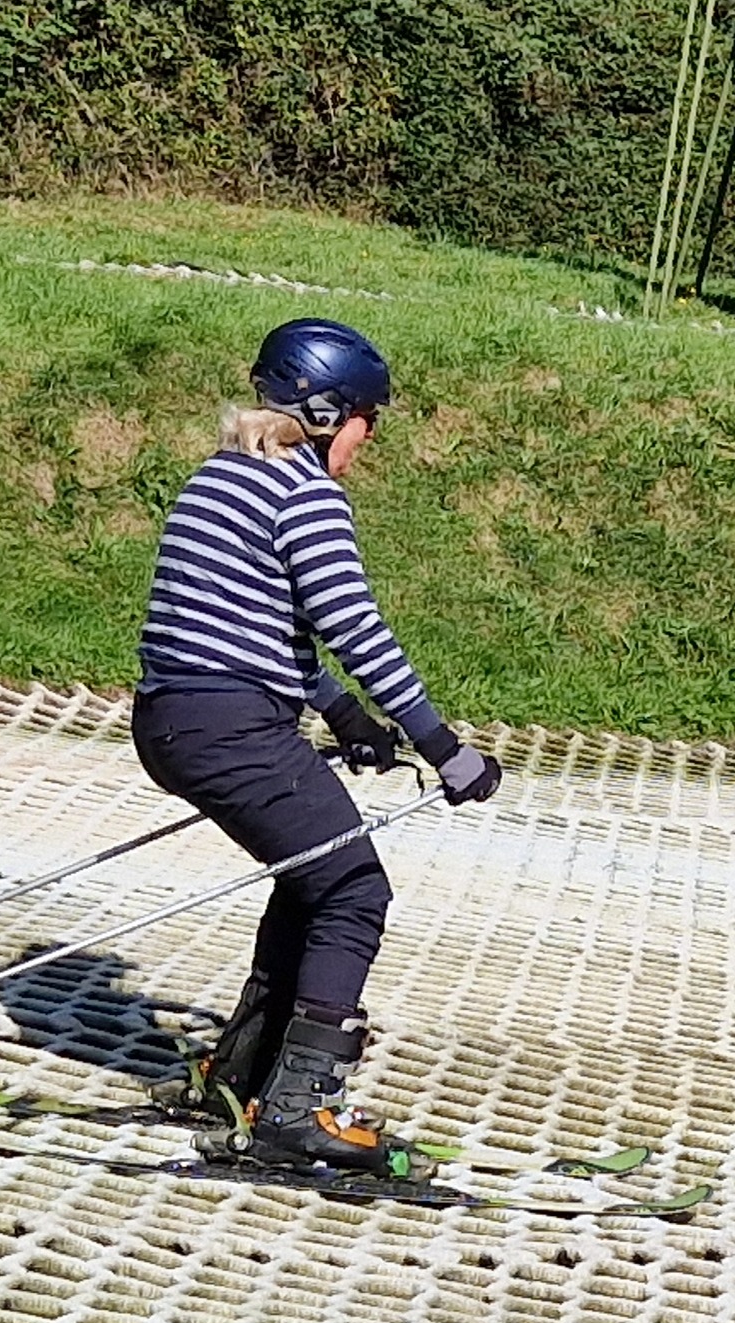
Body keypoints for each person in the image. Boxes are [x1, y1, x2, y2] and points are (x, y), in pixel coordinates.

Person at [131, 318, 502, 1177]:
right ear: (333, 414)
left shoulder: (223, 478)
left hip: (178, 716)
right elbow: (353, 627)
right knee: (352, 890)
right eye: (371, 420)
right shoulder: (304, 491)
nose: (370, 442)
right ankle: (295, 1115)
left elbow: (258, 625)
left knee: (311, 874)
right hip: (231, 724)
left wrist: (343, 716)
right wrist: (443, 747)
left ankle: (240, 1078)